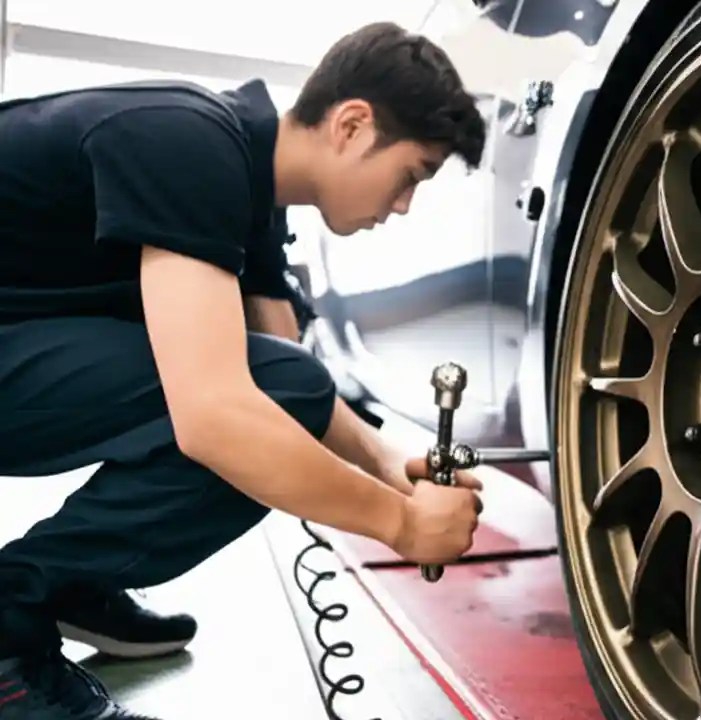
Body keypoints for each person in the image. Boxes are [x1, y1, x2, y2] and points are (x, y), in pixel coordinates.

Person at [0, 21, 487, 719]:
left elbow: (291, 378)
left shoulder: (244, 187)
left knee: (279, 394)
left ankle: (69, 584)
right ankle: (12, 612)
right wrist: (403, 527)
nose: (404, 206)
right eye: (412, 174)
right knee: (245, 414)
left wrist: (388, 464)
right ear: (352, 124)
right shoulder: (190, 141)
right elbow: (221, 415)